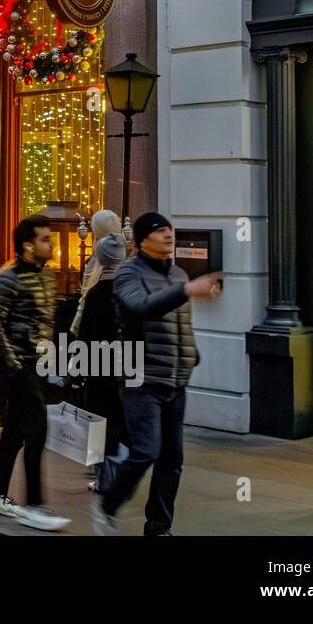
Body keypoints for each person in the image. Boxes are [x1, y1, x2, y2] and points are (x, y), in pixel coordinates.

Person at [92, 212, 222, 536]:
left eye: (169, 229)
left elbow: (180, 324)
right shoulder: (127, 273)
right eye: (159, 230)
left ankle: (159, 528)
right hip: (141, 377)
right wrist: (188, 290)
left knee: (172, 460)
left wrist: (191, 355)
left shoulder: (178, 273)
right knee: (147, 450)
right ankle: (108, 501)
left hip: (176, 379)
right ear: (142, 239)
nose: (168, 234)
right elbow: (141, 307)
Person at [0, 215, 71, 531]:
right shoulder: (7, 278)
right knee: (37, 430)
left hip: (38, 364)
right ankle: (35, 504)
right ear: (28, 245)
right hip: (18, 365)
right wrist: (15, 365)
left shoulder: (48, 277)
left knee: (16, 432)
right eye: (46, 239)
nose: (52, 244)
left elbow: (47, 323)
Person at [69, 210, 130, 493]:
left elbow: (86, 329)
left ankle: (102, 471)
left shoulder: (97, 287)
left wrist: (78, 367)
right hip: (122, 361)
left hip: (99, 363)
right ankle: (113, 466)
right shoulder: (128, 283)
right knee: (116, 415)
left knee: (99, 416)